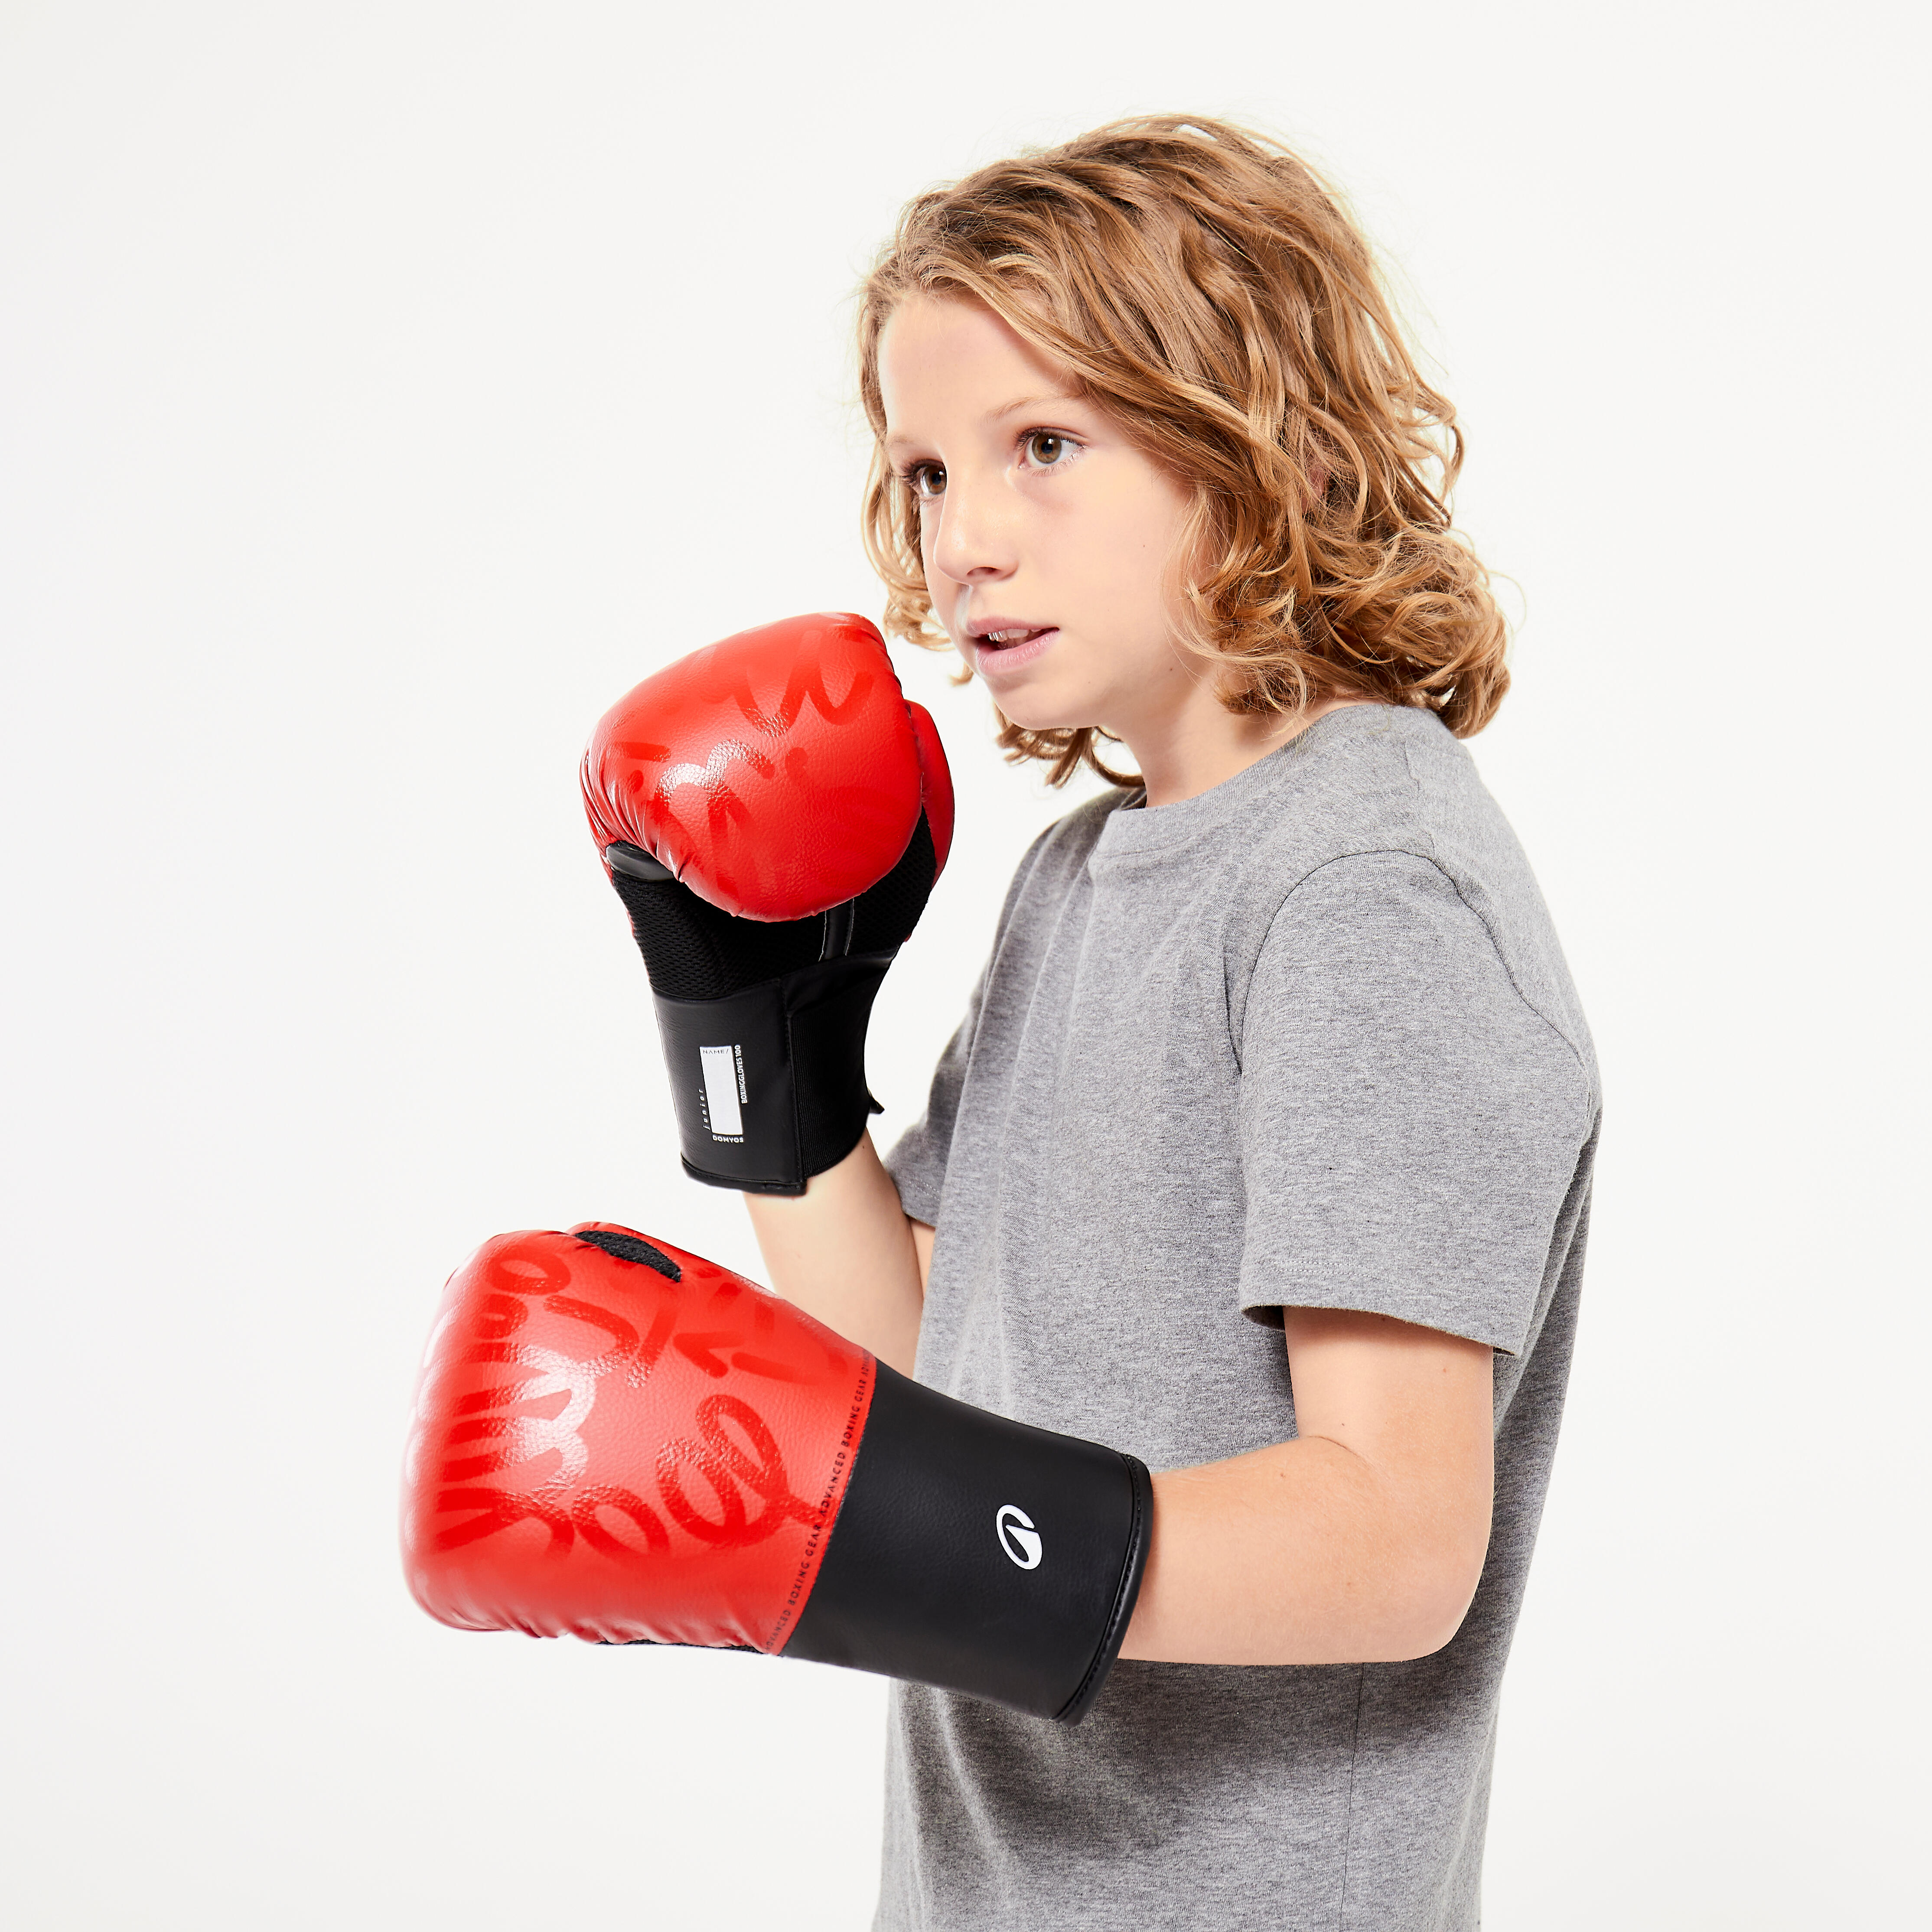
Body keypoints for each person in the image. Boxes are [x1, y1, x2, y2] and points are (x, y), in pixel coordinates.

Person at [743, 117, 1599, 1929]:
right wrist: (756, 1050)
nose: (961, 535)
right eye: (918, 471)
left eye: (1040, 445)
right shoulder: (1085, 878)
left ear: (1253, 439)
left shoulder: (1363, 893)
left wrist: (885, 1543)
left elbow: (1388, 1538)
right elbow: (922, 1350)